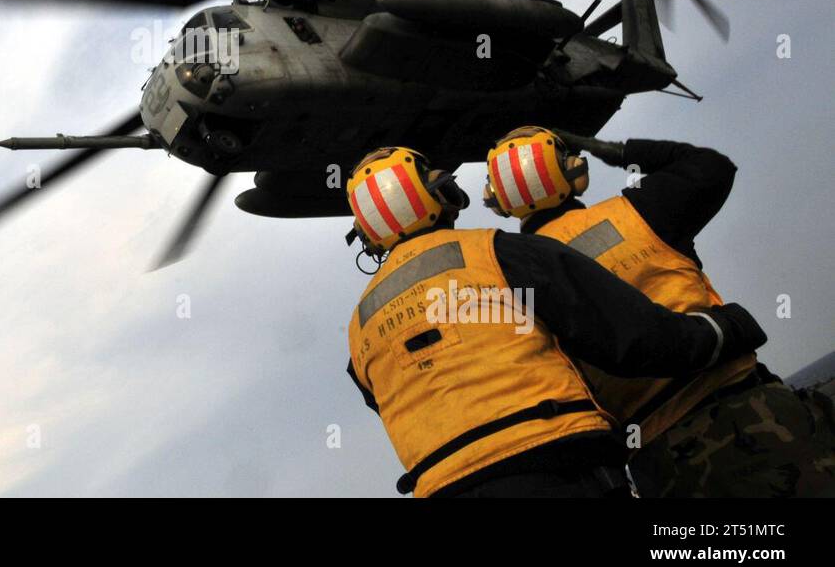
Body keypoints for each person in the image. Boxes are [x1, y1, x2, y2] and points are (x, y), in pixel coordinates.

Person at [344, 145, 766, 498]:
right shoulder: (499, 253)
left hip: (443, 488)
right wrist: (728, 328)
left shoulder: (358, 328)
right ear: (439, 196)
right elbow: (637, 342)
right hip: (558, 467)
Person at [484, 125, 835, 497]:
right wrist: (614, 150)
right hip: (750, 410)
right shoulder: (638, 208)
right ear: (574, 170)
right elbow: (712, 165)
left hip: (660, 460)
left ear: (498, 201)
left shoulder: (512, 276)